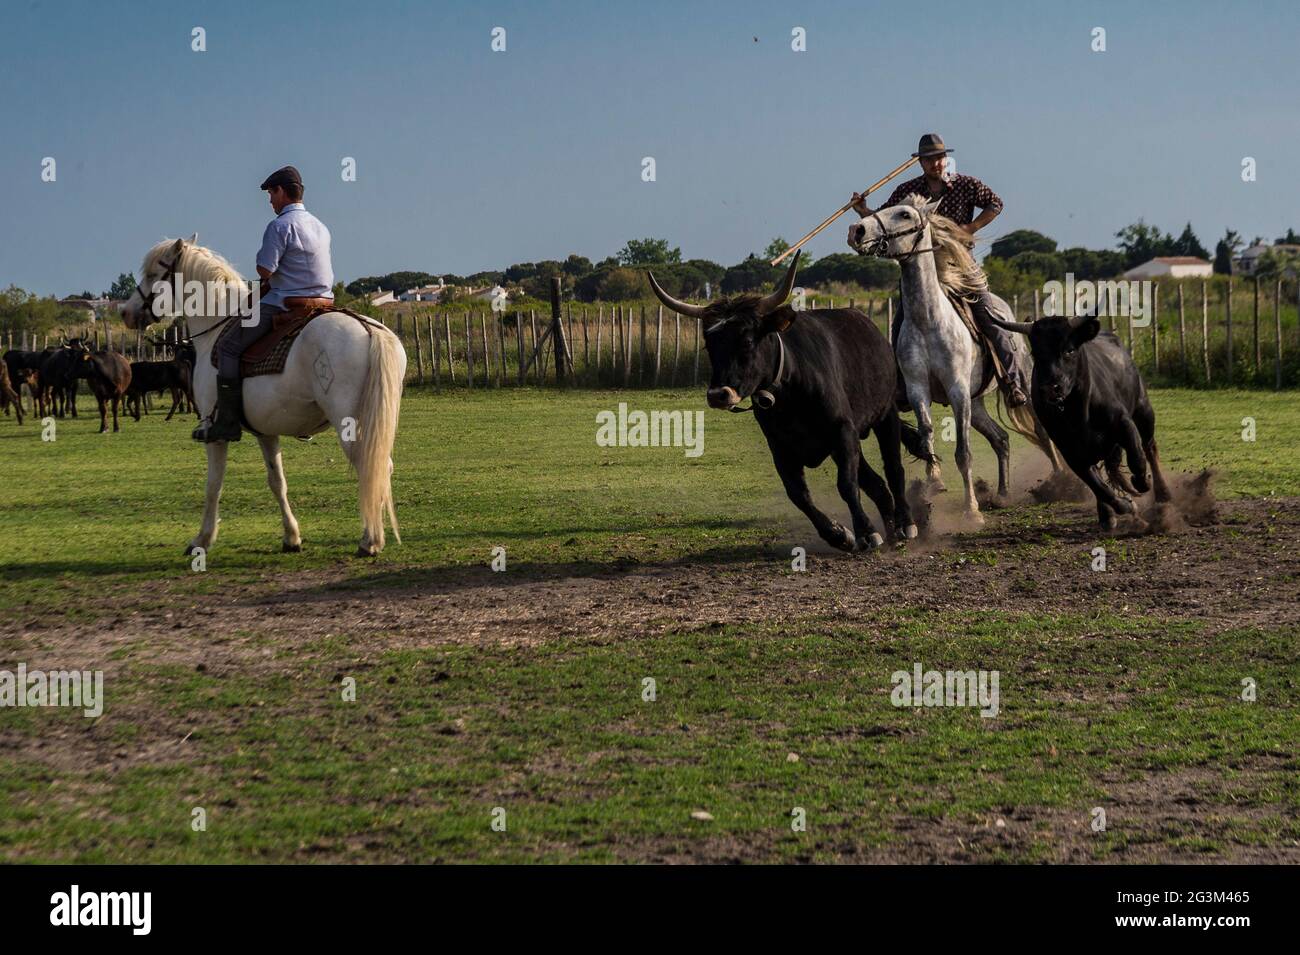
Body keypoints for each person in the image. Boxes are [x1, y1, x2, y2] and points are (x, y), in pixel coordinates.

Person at [852, 133, 1029, 407]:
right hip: (921, 269)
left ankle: (1012, 380)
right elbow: (884, 223)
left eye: (939, 158)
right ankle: (900, 385)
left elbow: (996, 203)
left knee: (990, 318)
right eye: (930, 159)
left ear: (945, 159)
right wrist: (864, 211)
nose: (936, 163)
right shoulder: (907, 192)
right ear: (921, 163)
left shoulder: (966, 185)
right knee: (900, 325)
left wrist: (970, 229)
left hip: (961, 266)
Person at [195, 165, 334, 442]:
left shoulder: (280, 226)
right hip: (325, 303)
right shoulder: (321, 226)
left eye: (271, 194)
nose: (270, 200)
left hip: (286, 303)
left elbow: (264, 271)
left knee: (228, 347)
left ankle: (228, 423)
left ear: (281, 191)